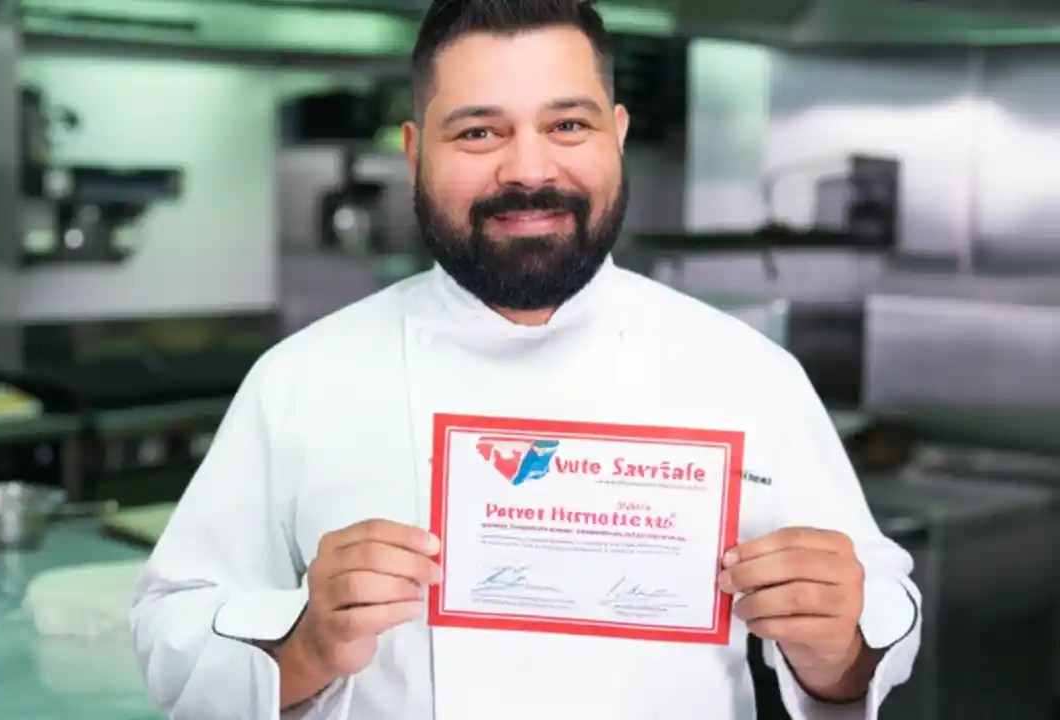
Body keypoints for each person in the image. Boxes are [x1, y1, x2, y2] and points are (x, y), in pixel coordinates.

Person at [129, 1, 921, 718]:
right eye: (479, 132)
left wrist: (838, 652)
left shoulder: (750, 374)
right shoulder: (301, 378)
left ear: (617, 135)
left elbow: (877, 608)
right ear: (414, 152)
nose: (529, 170)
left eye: (567, 126)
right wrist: (300, 646)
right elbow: (172, 628)